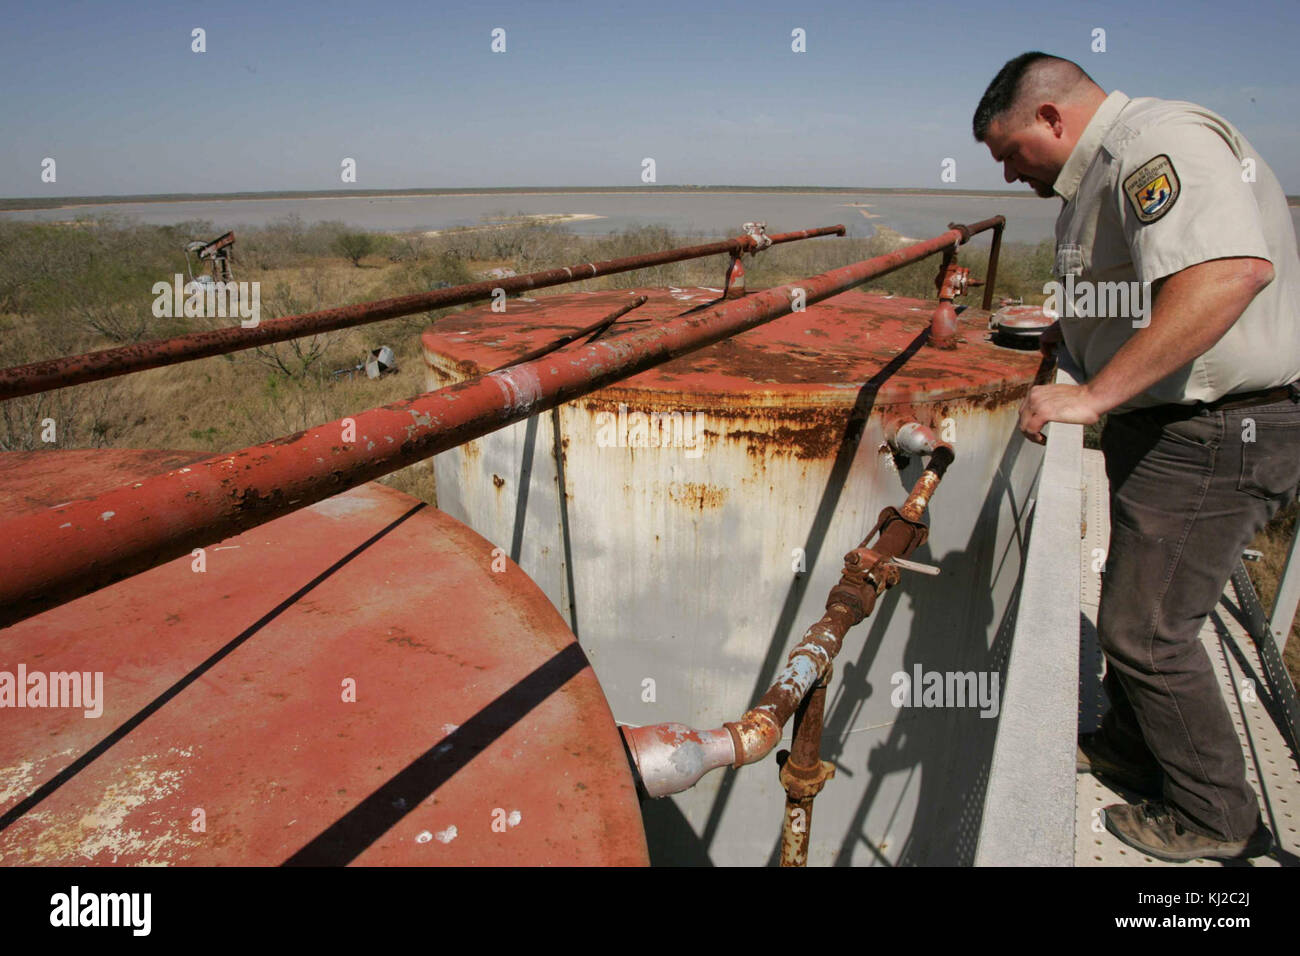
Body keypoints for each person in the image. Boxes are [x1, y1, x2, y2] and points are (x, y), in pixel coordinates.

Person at [972, 51, 1300, 862]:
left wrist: (1093, 395)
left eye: (1012, 152)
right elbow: (1145, 289)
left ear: (1051, 117)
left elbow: (1228, 274)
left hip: (1218, 430)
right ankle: (1130, 744)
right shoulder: (1098, 176)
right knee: (1136, 593)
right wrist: (1070, 333)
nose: (1012, 175)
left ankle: (1216, 817)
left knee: (1146, 630)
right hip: (1176, 431)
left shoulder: (1156, 145)